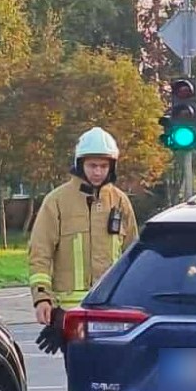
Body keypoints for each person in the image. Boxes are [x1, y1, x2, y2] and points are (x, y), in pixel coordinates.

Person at [28, 127, 139, 351]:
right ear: (80, 164)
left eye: (103, 166)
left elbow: (133, 256)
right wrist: (42, 299)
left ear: (112, 166)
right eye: (92, 166)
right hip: (71, 316)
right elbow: (40, 253)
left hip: (112, 312)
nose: (98, 172)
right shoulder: (57, 201)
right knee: (81, 381)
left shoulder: (120, 202)